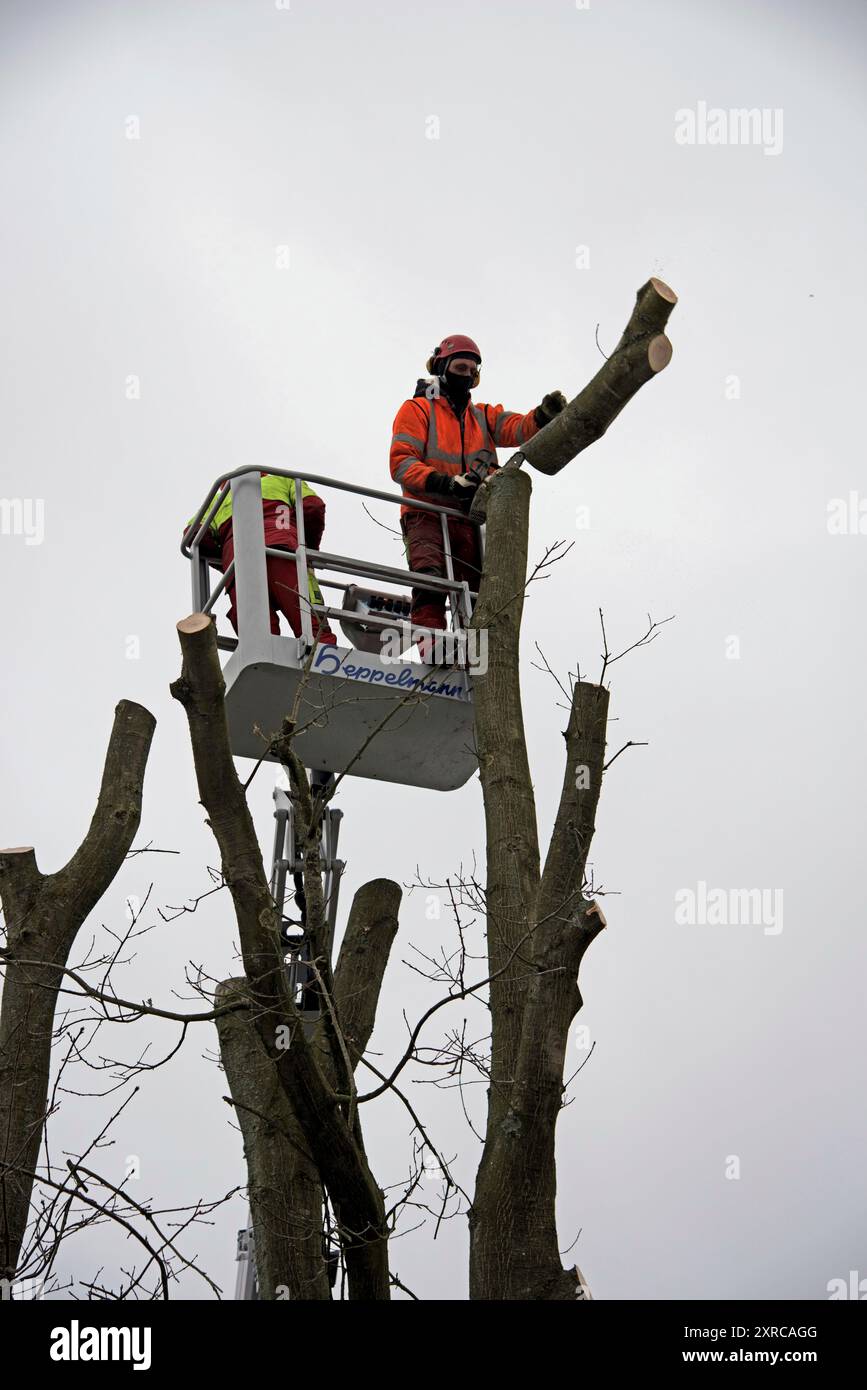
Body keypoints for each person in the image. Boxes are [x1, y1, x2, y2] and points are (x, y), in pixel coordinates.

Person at [389, 334, 566, 638]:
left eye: (472, 371)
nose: (467, 376)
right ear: (442, 367)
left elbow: (516, 428)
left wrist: (542, 416)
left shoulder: (481, 416)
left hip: (470, 517)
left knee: (476, 594)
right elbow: (401, 463)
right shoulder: (417, 410)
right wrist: (446, 483)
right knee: (429, 580)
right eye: (461, 368)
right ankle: (432, 647)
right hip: (426, 512)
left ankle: (474, 659)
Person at [184, 473, 336, 643]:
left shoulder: (216, 501)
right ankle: (325, 657)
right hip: (285, 554)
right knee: (314, 629)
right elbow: (312, 507)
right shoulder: (285, 480)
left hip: (241, 566)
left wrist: (228, 557)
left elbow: (194, 535)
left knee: (259, 640)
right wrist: (309, 550)